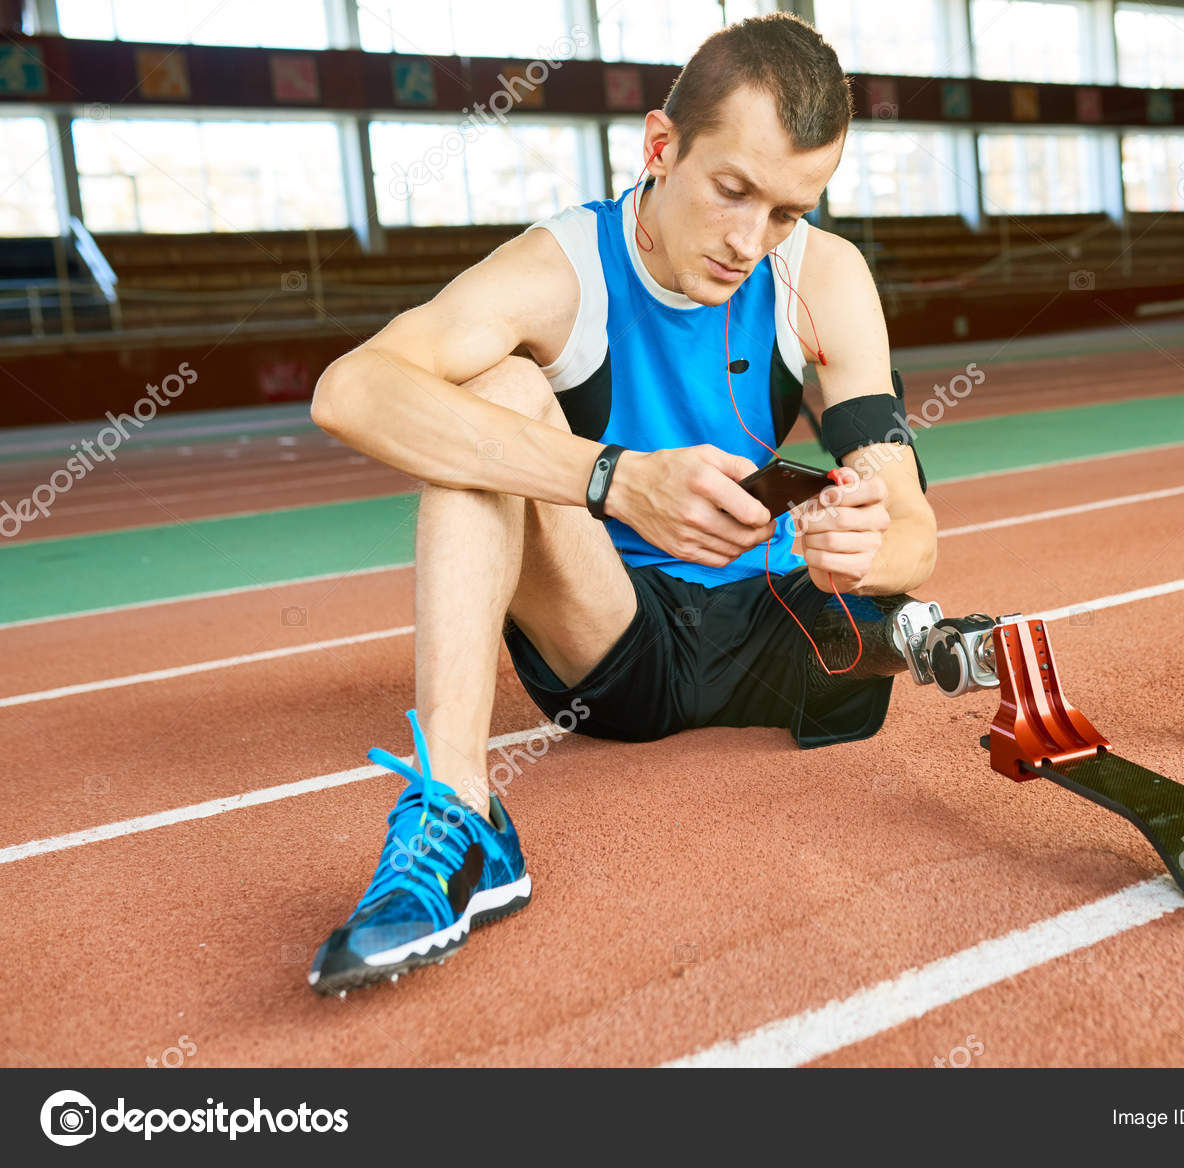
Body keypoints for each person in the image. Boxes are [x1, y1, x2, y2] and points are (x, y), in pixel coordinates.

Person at [303, 14, 941, 994]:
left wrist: (863, 548)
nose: (748, 239)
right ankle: (463, 813)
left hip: (790, 633)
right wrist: (611, 479)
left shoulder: (821, 272)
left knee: (897, 604)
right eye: (732, 190)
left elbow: (914, 532)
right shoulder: (561, 271)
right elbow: (349, 391)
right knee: (495, 391)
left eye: (784, 210)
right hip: (615, 643)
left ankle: (932, 643)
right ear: (658, 147)